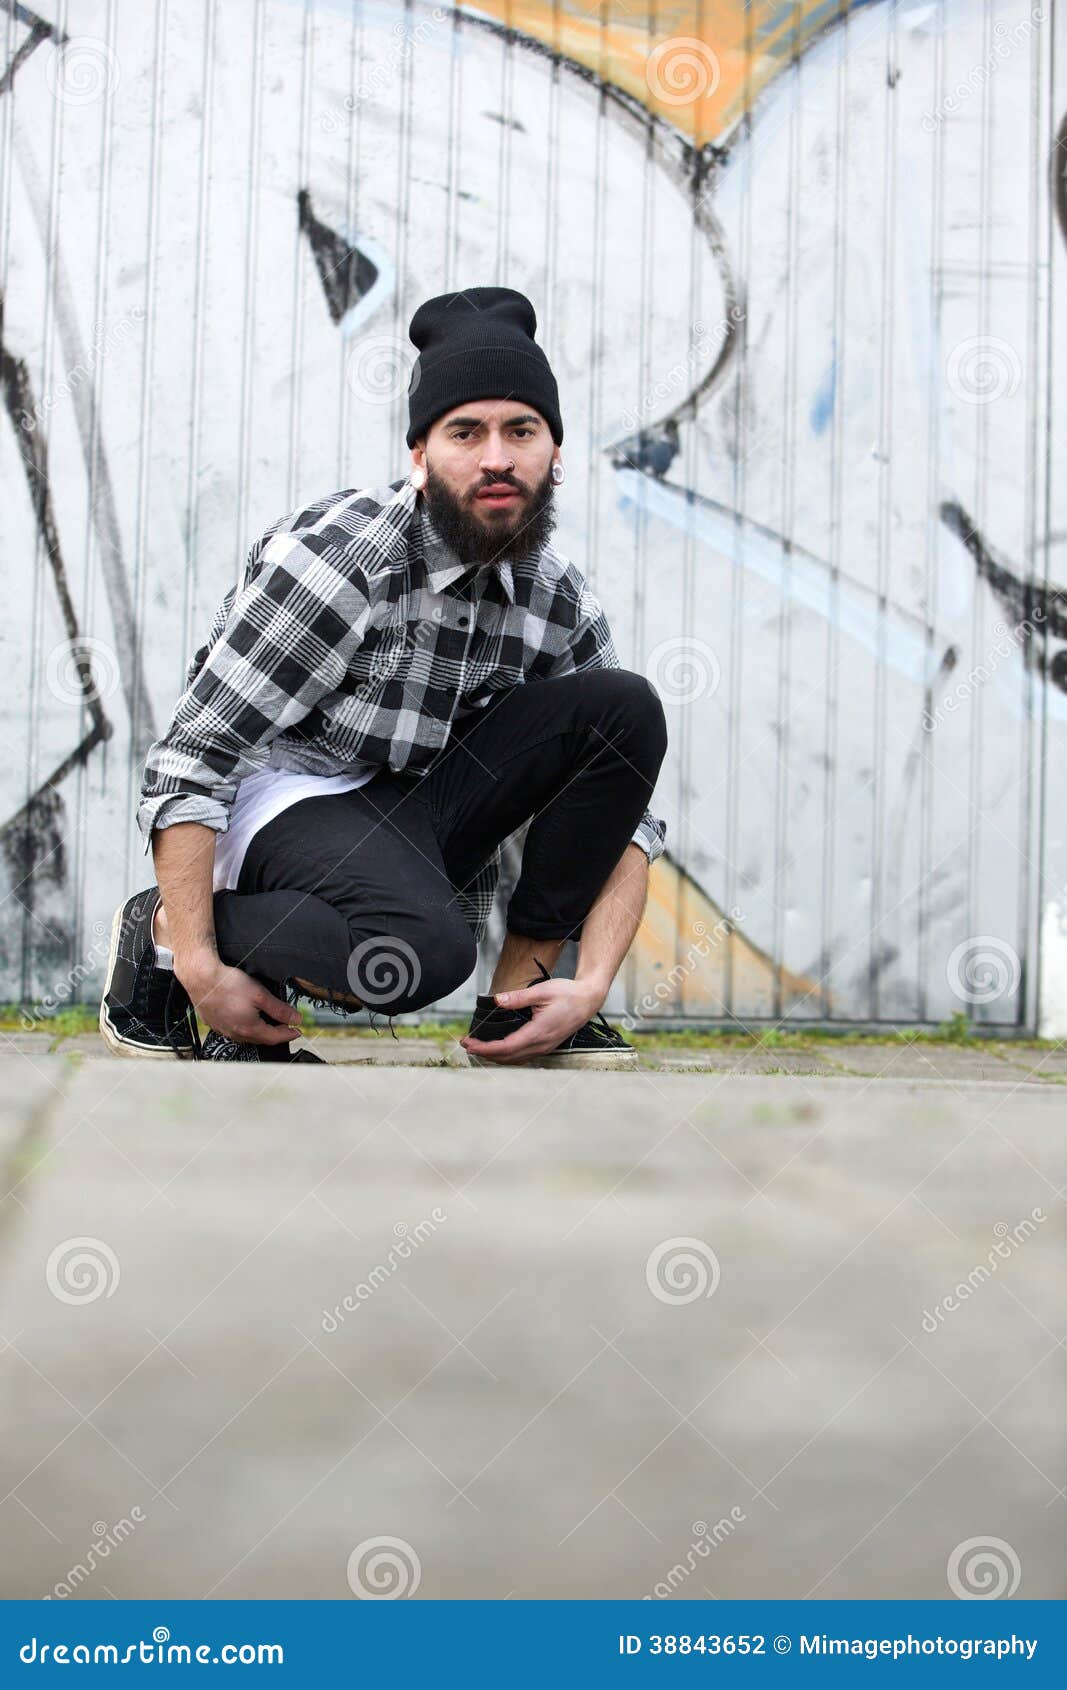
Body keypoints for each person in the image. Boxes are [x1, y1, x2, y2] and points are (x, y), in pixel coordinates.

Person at [99, 286, 668, 1066]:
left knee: (622, 709)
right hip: (283, 795)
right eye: (465, 431)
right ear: (421, 457)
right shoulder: (345, 557)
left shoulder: (555, 595)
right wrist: (197, 962)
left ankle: (520, 1008)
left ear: (554, 455)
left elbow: (625, 814)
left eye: (521, 430)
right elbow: (192, 757)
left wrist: (589, 983)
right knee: (423, 953)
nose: (495, 457)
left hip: (405, 808)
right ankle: (160, 927)